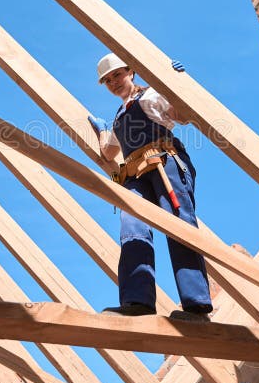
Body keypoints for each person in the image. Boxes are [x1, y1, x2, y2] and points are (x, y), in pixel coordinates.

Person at [88, 53, 213, 321]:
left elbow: (183, 115)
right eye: (108, 80)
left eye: (117, 75)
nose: (113, 82)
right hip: (135, 175)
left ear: (131, 71)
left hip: (164, 164)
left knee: (179, 226)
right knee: (132, 229)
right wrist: (101, 130)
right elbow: (109, 153)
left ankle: (197, 305)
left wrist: (176, 81)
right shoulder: (120, 115)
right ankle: (137, 301)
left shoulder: (151, 96)